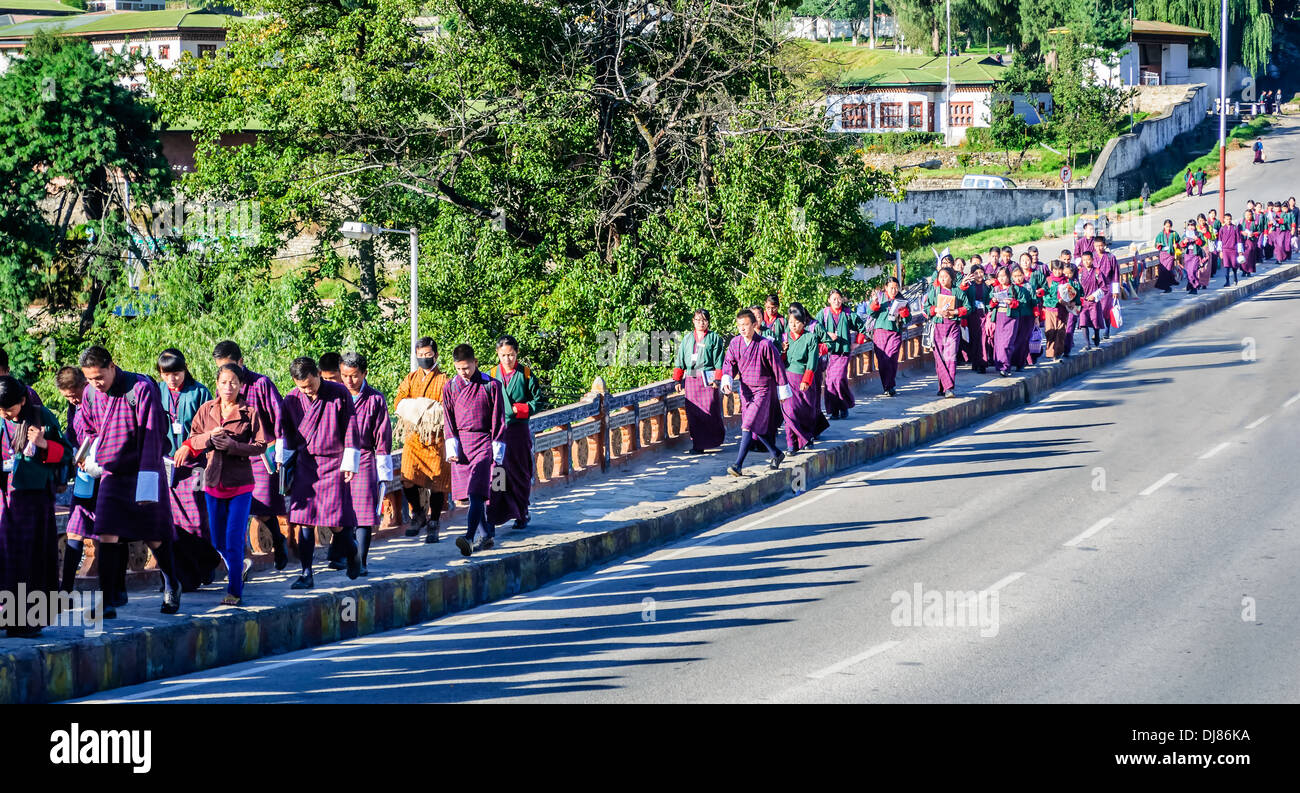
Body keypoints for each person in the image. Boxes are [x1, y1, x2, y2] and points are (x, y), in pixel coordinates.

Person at [75, 346, 183, 617]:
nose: (95, 384)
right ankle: (107, 600)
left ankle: (172, 583)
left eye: (99, 377)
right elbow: (86, 427)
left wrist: (148, 478)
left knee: (154, 535)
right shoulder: (90, 394)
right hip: (111, 472)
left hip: (142, 469)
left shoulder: (140, 389)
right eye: (89, 378)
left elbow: (152, 435)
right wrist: (87, 453)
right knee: (106, 533)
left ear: (112, 366)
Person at [178, 364, 271, 606]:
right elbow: (193, 437)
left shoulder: (250, 413)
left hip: (240, 483)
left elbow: (261, 445)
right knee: (218, 539)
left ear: (240, 386)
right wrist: (209, 438)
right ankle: (237, 567)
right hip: (212, 480)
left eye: (233, 383)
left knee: (233, 537)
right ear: (216, 384)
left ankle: (235, 591)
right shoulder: (206, 409)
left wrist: (234, 447)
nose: (228, 387)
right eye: (223, 382)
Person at [276, 357, 362, 589]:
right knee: (305, 520)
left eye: (311, 385)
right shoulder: (292, 399)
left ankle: (353, 552)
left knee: (335, 522)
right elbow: (286, 435)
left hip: (334, 463)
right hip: (306, 464)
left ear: (318, 375)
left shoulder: (338, 393)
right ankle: (307, 574)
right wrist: (283, 462)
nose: (308, 391)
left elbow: (351, 427)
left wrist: (350, 463)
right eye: (302, 387)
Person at [0, 376, 69, 637]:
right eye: (1, 411)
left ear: (22, 400)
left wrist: (43, 444)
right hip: (5, 500)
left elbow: (67, 455)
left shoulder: (42, 418)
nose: (6, 415)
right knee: (7, 560)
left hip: (34, 502)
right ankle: (7, 614)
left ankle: (30, 618)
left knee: (32, 559)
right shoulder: (1, 420)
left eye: (10, 409)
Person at [212, 341, 289, 569]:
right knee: (241, 506)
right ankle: (241, 560)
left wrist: (280, 447)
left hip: (263, 454)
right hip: (234, 454)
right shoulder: (223, 387)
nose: (227, 375)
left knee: (263, 506)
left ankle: (278, 539)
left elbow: (279, 414)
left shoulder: (261, 383)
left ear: (241, 362)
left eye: (229, 366)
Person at [156, 349, 221, 593]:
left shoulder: (200, 392)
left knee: (197, 516)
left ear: (186, 369)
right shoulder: (157, 392)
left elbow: (212, 430)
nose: (172, 379)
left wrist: (190, 447)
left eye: (177, 373)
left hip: (195, 466)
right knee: (172, 521)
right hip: (167, 465)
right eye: (166, 374)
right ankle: (183, 573)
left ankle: (205, 565)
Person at [442, 344, 506, 558]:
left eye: (467, 368)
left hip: (484, 441)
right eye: (460, 369)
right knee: (470, 495)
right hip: (462, 445)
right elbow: (448, 420)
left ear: (475, 362)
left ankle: (469, 537)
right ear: (454, 366)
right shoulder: (450, 387)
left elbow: (499, 419)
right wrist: (451, 445)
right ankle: (485, 534)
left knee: (477, 491)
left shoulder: (491, 385)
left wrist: (497, 448)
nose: (464, 373)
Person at [393, 338, 452, 543]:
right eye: (420, 355)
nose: (424, 358)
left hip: (436, 439)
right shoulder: (410, 378)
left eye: (428, 355)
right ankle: (418, 514)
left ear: (435, 355)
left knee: (437, 482)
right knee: (407, 478)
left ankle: (434, 521)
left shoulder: (445, 380)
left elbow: (446, 407)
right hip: (414, 438)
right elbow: (399, 401)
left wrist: (419, 406)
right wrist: (423, 407)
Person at [337, 352, 392, 575]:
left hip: (366, 457)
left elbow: (382, 434)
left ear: (364, 373)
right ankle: (347, 556)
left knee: (363, 514)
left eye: (354, 376)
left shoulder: (375, 399)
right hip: (339, 460)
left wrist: (383, 469)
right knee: (341, 514)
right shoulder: (336, 397)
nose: (349, 381)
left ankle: (362, 561)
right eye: (344, 376)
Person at [487, 336, 542, 532]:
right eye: (503, 355)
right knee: (498, 472)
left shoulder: (526, 374)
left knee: (520, 473)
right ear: (498, 354)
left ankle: (521, 512)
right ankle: (494, 514)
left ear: (517, 353)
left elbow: (539, 401)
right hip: (497, 432)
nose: (507, 359)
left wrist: (522, 409)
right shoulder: (491, 375)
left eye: (511, 355)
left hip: (518, 432)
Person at [721, 309, 785, 476]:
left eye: (746, 325)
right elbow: (729, 363)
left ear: (754, 325)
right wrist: (727, 379)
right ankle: (776, 454)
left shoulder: (765, 344)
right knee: (754, 427)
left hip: (762, 391)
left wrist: (783, 390)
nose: (742, 328)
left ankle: (738, 465)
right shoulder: (735, 343)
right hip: (745, 390)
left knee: (747, 425)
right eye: (739, 325)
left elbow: (778, 369)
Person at [56, 366, 99, 595]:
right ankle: (67, 590)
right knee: (74, 529)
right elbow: (71, 435)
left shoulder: (100, 399)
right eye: (67, 397)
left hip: (104, 473)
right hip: (83, 475)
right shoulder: (73, 406)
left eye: (74, 395)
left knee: (112, 534)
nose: (72, 400)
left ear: (84, 384)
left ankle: (113, 592)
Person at [671, 309, 726, 454]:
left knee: (709, 410)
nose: (701, 323)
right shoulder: (687, 339)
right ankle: (697, 445)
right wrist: (677, 380)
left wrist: (717, 379)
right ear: (693, 321)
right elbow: (680, 360)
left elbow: (719, 361)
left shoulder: (714, 338)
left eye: (704, 320)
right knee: (693, 413)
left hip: (707, 379)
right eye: (698, 320)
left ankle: (713, 440)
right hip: (691, 379)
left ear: (708, 322)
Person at [816, 289, 866, 420]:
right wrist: (827, 335)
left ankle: (844, 405)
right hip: (828, 353)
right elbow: (814, 330)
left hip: (843, 352)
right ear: (829, 300)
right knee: (829, 382)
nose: (837, 301)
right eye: (834, 299)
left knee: (837, 379)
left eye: (839, 299)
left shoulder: (848, 313)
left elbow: (862, 327)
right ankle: (834, 411)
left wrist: (857, 343)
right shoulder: (824, 314)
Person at [777, 302, 820, 453]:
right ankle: (790, 444)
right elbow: (779, 360)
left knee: (805, 411)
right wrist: (782, 351)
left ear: (804, 323)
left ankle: (806, 437)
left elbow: (812, 360)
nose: (793, 326)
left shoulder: (810, 338)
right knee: (789, 411)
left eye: (797, 322)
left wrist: (806, 380)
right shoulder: (785, 337)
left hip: (803, 379)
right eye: (790, 322)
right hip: (787, 379)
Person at [923, 267, 970, 397]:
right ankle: (943, 386)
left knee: (950, 357)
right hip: (938, 326)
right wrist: (936, 310)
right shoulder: (934, 291)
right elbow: (926, 308)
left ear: (951, 278)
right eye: (940, 276)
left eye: (945, 276)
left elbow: (968, 307)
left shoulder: (958, 291)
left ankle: (949, 388)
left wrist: (955, 312)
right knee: (939, 357)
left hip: (953, 326)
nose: (943, 279)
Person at [868, 278, 911, 394]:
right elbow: (870, 313)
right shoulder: (880, 297)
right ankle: (887, 387)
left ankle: (890, 385)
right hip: (880, 330)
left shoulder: (902, 300)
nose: (894, 290)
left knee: (891, 357)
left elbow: (908, 319)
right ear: (886, 287)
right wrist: (875, 303)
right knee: (882, 359)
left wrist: (904, 313)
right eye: (891, 287)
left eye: (896, 287)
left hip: (895, 331)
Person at [987, 267, 1020, 376]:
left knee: (1007, 343)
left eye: (1004, 276)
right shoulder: (996, 289)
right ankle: (1001, 365)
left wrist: (1011, 302)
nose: (1001, 278)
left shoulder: (1014, 289)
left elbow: (1020, 303)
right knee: (999, 343)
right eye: (999, 276)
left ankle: (1006, 366)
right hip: (999, 317)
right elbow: (990, 305)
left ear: (1008, 276)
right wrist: (994, 301)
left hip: (1011, 318)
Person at [960, 263, 989, 374]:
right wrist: (963, 283)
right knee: (974, 339)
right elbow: (961, 294)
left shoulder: (986, 285)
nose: (979, 275)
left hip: (984, 314)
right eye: (976, 273)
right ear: (972, 274)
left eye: (981, 272)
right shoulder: (969, 286)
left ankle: (983, 364)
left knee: (983, 338)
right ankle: (975, 363)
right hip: (973, 315)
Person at [1076, 251, 1106, 349]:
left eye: (1088, 259)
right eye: (1084, 260)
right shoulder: (1080, 273)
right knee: (1083, 322)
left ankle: (1096, 335)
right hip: (1083, 302)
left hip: (1094, 302)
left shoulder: (1097, 272)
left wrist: (1094, 295)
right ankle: (1087, 344)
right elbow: (1076, 286)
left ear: (1092, 260)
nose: (1086, 262)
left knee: (1095, 322)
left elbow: (1104, 287)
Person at [1092, 237, 1120, 339]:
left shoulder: (1110, 257)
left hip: (1107, 288)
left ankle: (1107, 329)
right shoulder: (1091, 257)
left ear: (1105, 245)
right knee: (1095, 311)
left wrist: (1115, 290)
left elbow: (1115, 274)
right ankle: (1097, 331)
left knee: (1105, 310)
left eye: (1101, 246)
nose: (1099, 248)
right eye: (1096, 246)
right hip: (1094, 288)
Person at [1179, 220, 1208, 294]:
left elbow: (1203, 243)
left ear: (1195, 226)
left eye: (1192, 225)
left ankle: (1195, 286)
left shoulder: (1198, 233)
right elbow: (1181, 244)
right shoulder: (1185, 234)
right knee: (1188, 272)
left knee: (1193, 271)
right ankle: (1192, 285)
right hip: (1188, 254)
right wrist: (1184, 242)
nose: (1191, 227)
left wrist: (1197, 239)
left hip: (1195, 254)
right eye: (1189, 225)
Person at [1153, 219, 1180, 293]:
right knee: (1163, 270)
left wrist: (1176, 245)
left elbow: (1179, 242)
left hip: (1170, 254)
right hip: (1163, 254)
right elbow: (1156, 244)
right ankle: (1165, 286)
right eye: (1167, 226)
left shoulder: (1174, 234)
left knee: (1168, 269)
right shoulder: (1160, 234)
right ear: (1164, 226)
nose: (1168, 228)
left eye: (1169, 226)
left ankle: (1167, 286)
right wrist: (1158, 245)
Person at [1219, 211, 1243, 286]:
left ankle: (1235, 277)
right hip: (1225, 250)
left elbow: (1239, 240)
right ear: (1224, 220)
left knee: (1234, 265)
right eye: (1226, 219)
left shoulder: (1235, 228)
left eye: (1229, 219)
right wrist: (1220, 251)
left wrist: (1240, 251)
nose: (1228, 221)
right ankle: (1227, 281)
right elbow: (1219, 240)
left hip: (1233, 249)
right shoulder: (1222, 229)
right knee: (1226, 266)